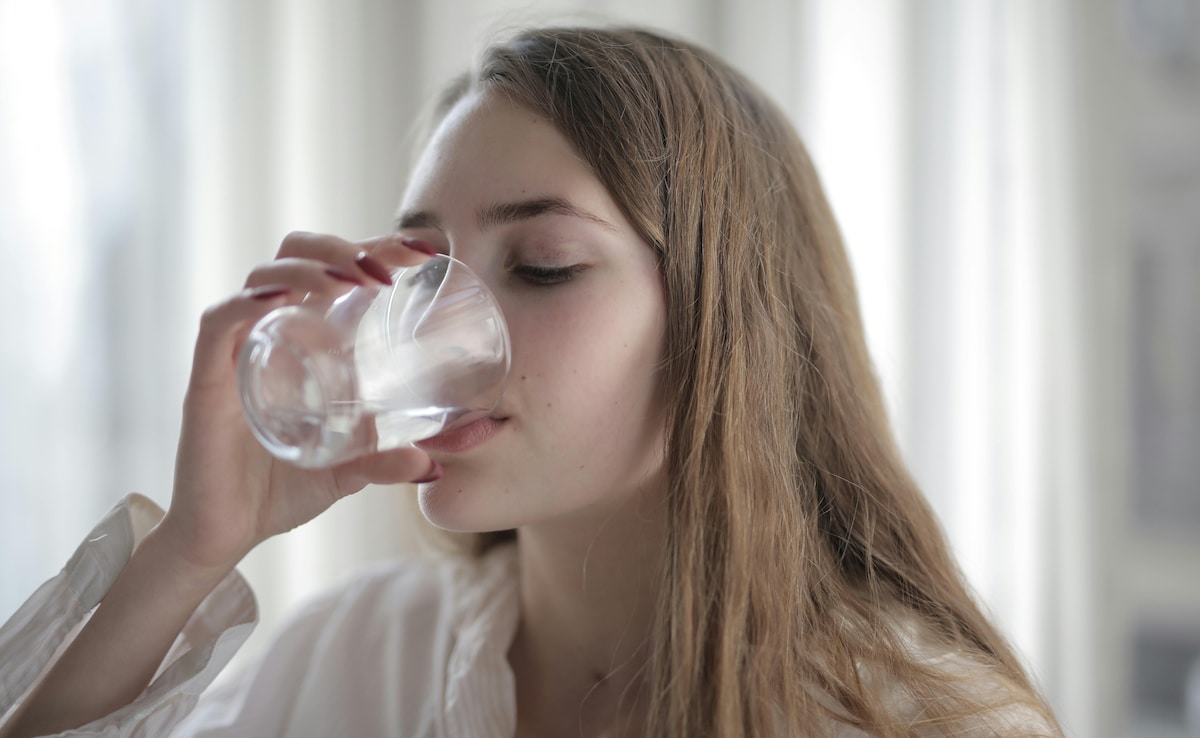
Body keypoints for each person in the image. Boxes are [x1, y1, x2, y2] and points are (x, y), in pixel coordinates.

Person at [0, 25, 1063, 737]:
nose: (439, 335)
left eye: (542, 266)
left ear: (723, 325)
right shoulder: (357, 658)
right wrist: (191, 549)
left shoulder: (918, 720)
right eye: (421, 272)